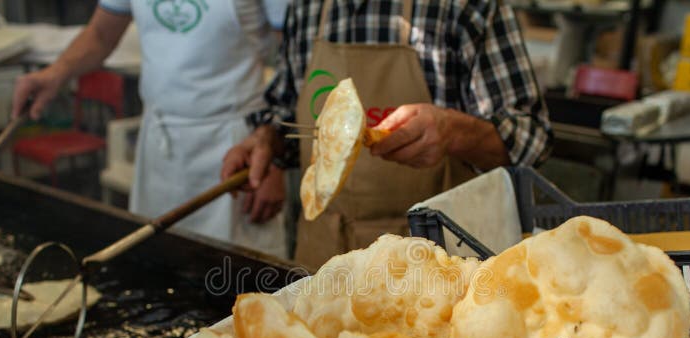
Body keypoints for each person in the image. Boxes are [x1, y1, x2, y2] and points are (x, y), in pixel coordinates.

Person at [222, 0, 552, 269]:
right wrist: (267, 140)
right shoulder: (307, 8)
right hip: (322, 262)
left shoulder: (464, 8)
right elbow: (288, 109)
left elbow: (531, 137)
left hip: (432, 265)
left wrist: (454, 131)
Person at [12, 1, 287, 258]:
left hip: (240, 145)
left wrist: (276, 158)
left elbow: (294, 60)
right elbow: (100, 35)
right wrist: (54, 74)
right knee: (162, 262)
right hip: (159, 143)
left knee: (237, 277)